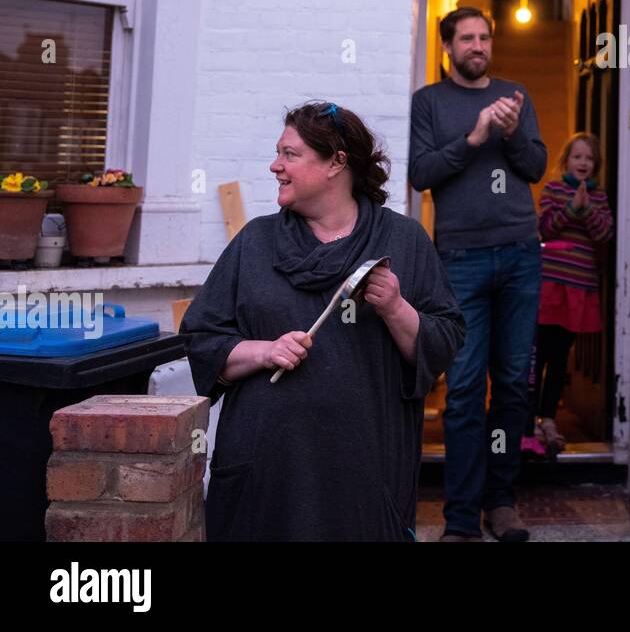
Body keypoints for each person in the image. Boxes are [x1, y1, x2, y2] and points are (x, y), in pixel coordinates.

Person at [181, 102, 466, 542]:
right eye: (278, 153)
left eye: (290, 154)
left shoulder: (403, 241)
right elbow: (202, 340)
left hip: (363, 480)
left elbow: (444, 342)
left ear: (336, 161)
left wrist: (395, 307)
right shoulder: (255, 242)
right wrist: (263, 351)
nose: (275, 166)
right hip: (266, 477)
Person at [409, 6, 548, 542]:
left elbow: (536, 166)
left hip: (519, 254)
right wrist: (474, 137)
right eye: (466, 38)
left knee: (512, 385)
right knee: (465, 389)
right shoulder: (430, 102)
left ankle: (502, 502)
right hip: (460, 261)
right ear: (447, 47)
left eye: (484, 37)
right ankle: (461, 517)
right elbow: (421, 174)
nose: (478, 46)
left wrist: (511, 134)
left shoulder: (515, 94)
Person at [532, 133, 613, 457]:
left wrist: (587, 209)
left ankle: (549, 418)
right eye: (577, 157)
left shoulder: (600, 198)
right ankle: (529, 422)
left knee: (559, 357)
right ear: (566, 161)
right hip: (550, 285)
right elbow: (546, 228)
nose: (583, 162)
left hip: (578, 288)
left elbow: (605, 233)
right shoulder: (553, 191)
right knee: (536, 356)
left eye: (589, 159)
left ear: (595, 166)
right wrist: (571, 208)